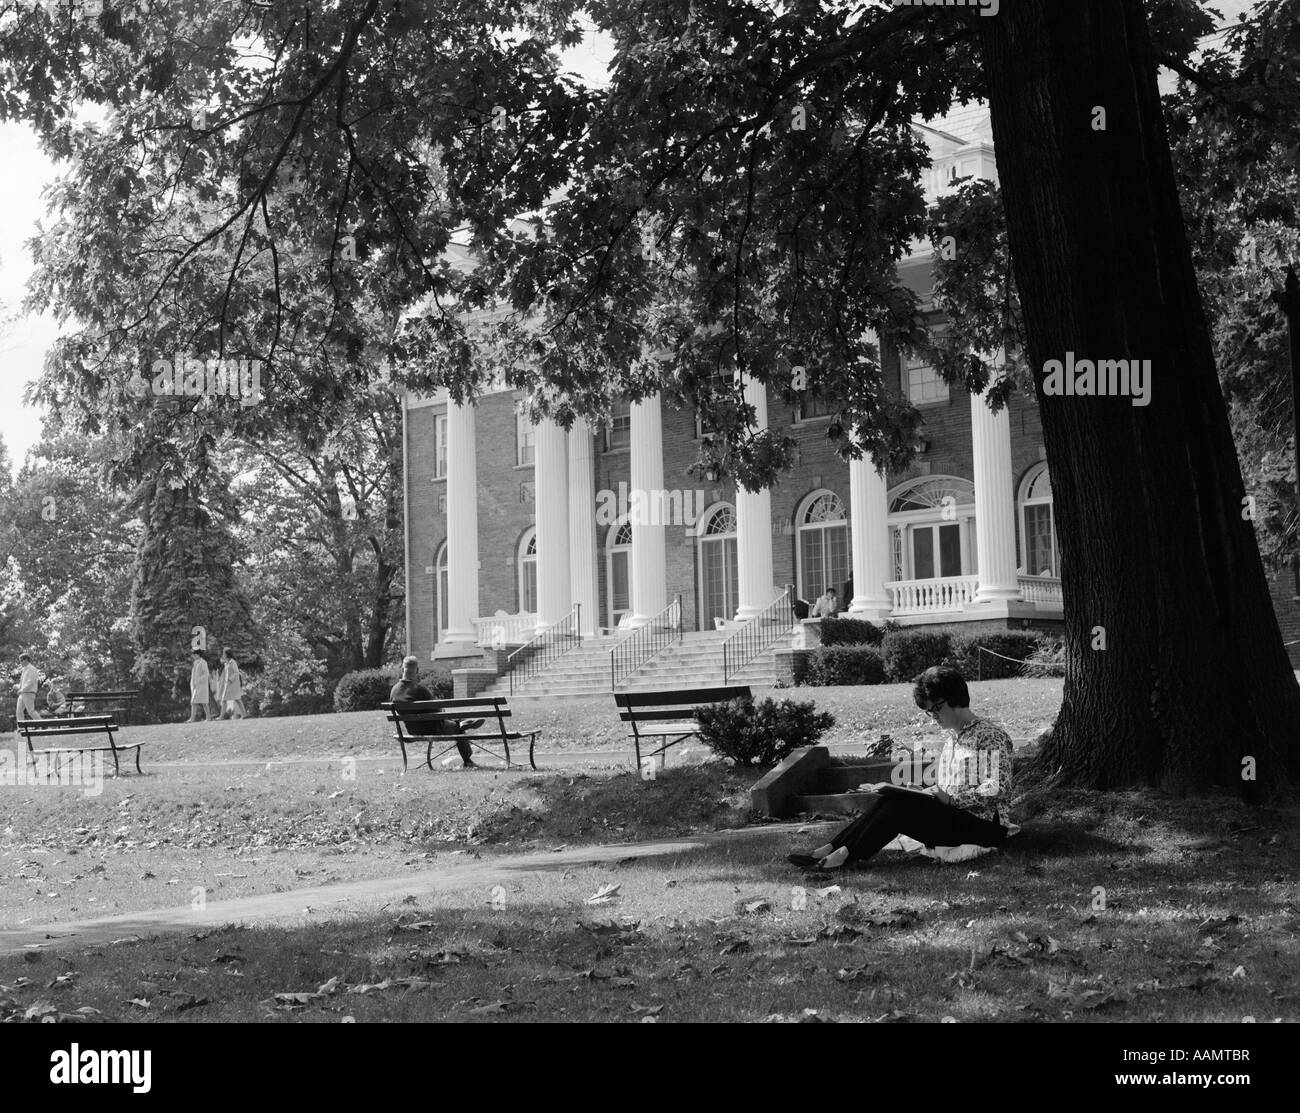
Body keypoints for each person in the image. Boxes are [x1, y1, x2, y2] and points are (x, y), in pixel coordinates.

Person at [788, 666, 1016, 869]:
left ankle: (845, 855)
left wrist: (951, 799)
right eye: (929, 712)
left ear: (955, 698)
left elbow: (997, 788)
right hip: (958, 818)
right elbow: (951, 787)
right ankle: (834, 848)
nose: (934, 717)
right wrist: (925, 793)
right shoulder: (952, 739)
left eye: (937, 708)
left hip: (985, 826)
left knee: (898, 807)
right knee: (893, 799)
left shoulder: (989, 736)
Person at [388, 656, 483, 769]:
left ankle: (462, 722)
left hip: (413, 730)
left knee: (452, 723)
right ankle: (467, 760)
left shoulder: (394, 691)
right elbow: (438, 711)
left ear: (402, 669)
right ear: (417, 671)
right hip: (433, 728)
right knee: (458, 729)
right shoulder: (420, 690)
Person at [218, 648, 245, 720]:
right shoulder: (226, 663)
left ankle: (244, 715)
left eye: (223, 653)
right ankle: (221, 716)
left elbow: (236, 672)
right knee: (224, 700)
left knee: (237, 699)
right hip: (228, 685)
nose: (222, 655)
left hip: (233, 684)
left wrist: (230, 680)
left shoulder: (233, 662)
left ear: (227, 654)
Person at [15, 652, 40, 723]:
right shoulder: (24, 670)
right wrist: (19, 688)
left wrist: (22, 690)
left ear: (26, 660)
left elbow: (30, 682)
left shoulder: (32, 669)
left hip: (29, 693)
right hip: (22, 694)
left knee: (31, 711)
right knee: (19, 711)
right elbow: (23, 682)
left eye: (21, 660)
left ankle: (42, 725)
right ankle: (21, 728)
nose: (20, 662)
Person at [188, 649, 212, 722]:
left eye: (194, 655)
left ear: (198, 655)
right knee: (194, 702)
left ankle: (208, 718)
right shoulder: (195, 663)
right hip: (195, 686)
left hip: (202, 686)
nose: (193, 656)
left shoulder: (203, 662)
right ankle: (193, 718)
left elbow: (206, 674)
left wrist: (199, 680)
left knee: (203, 702)